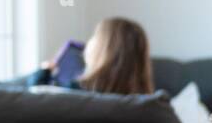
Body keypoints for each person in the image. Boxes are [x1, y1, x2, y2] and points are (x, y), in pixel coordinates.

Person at [27, 17, 155, 95]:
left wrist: (44, 71)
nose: (88, 43)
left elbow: (38, 93)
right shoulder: (144, 103)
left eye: (94, 36)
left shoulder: (76, 92)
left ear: (102, 50)